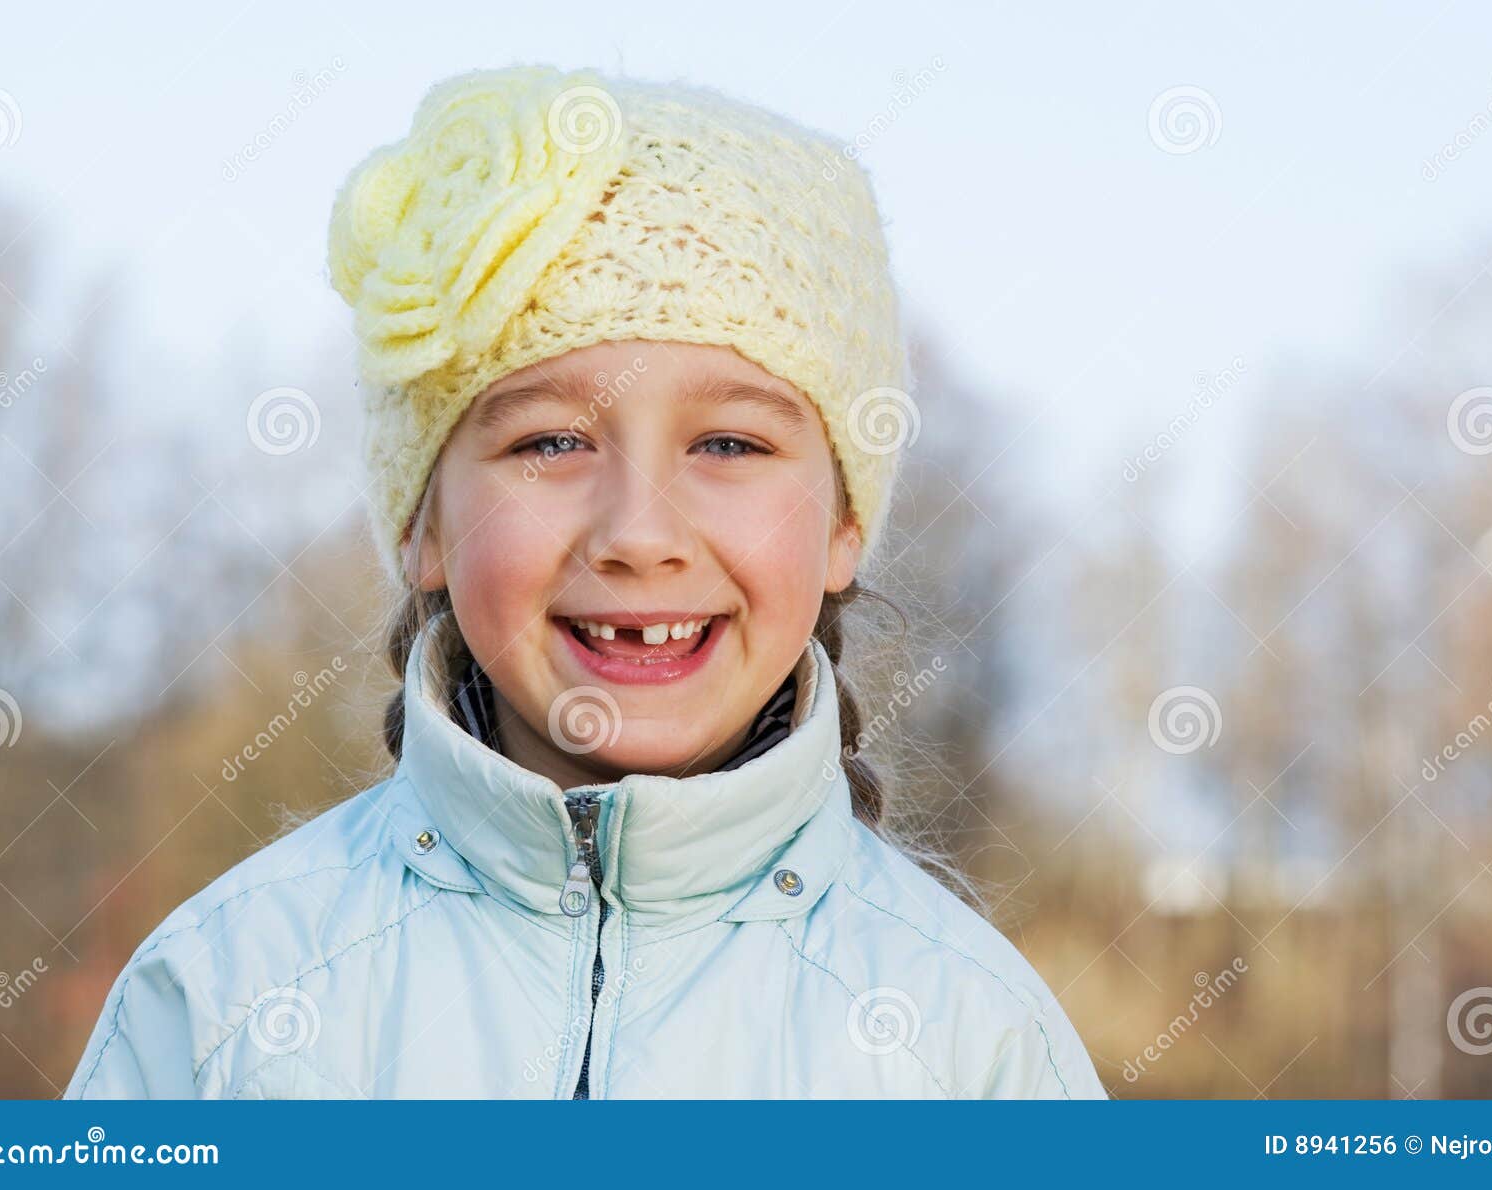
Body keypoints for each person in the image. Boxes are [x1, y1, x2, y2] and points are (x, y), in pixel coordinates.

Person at [65, 65, 1105, 1099]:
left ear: (842, 527)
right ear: (424, 523)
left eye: (732, 442)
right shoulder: (219, 999)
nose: (637, 533)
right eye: (551, 440)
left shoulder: (973, 1044)